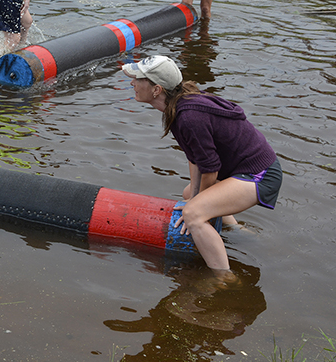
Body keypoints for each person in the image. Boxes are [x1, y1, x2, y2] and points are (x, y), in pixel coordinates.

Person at [121, 55, 282, 273]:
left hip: (259, 174)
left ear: (157, 89)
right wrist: (196, 196)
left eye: (137, 79)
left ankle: (223, 277)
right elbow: (195, 157)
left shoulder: (189, 117)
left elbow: (211, 169)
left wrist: (199, 205)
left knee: (194, 214)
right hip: (245, 170)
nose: (132, 83)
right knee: (190, 194)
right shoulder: (179, 107)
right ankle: (236, 231)